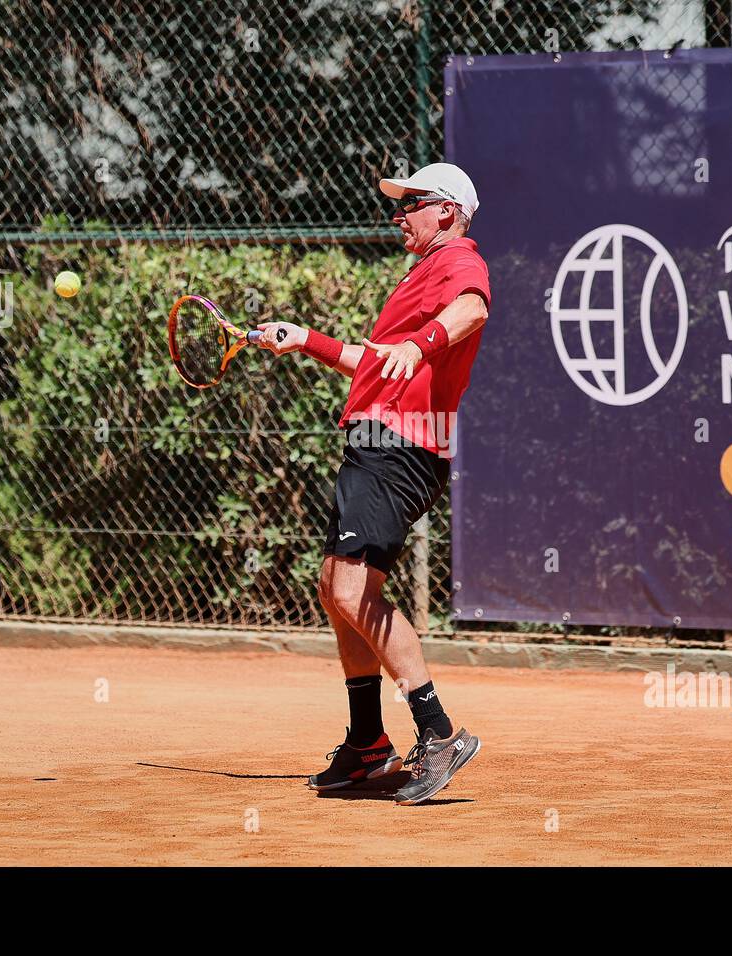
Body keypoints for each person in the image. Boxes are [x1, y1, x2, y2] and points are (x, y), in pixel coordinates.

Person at [255, 162, 491, 805]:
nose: (399, 215)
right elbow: (377, 361)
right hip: (374, 440)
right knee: (336, 586)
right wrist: (305, 340)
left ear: (445, 209)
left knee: (354, 588)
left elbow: (473, 307)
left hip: (401, 445)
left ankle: (438, 732)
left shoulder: (458, 262)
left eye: (410, 203)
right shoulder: (417, 276)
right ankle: (367, 743)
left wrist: (425, 344)